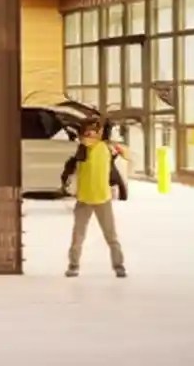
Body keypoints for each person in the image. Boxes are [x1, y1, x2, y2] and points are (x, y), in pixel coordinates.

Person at [59, 116, 128, 278]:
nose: (91, 134)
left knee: (111, 235)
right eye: (88, 131)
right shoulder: (81, 151)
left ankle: (119, 265)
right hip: (84, 199)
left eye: (94, 131)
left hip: (102, 198)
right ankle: (73, 264)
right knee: (78, 235)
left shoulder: (105, 148)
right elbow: (71, 168)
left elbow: (121, 155)